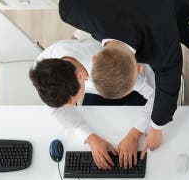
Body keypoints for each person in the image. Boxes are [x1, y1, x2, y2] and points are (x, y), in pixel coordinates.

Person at [58, 0, 189, 159]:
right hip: (157, 15)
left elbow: (169, 89)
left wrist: (156, 127)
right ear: (94, 59)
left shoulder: (164, 51)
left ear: (139, 69)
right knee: (172, 26)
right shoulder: (72, 9)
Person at [29, 38, 157, 169]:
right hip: (97, 88)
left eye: (74, 102)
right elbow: (56, 110)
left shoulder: (110, 68)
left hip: (130, 78)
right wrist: (90, 138)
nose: (73, 106)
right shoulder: (42, 72)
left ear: (79, 77)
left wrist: (135, 134)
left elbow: (155, 95)